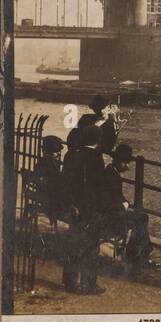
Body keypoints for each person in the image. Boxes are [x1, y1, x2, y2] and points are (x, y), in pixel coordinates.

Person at [61, 123, 107, 294]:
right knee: (91, 246)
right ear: (98, 140)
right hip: (89, 208)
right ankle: (89, 284)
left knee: (74, 243)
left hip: (74, 207)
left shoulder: (73, 155)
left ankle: (70, 282)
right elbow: (99, 187)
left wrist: (71, 204)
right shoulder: (96, 158)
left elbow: (65, 183)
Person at [99, 144, 154, 270]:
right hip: (110, 217)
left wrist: (124, 204)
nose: (127, 166)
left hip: (112, 212)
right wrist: (123, 206)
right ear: (117, 161)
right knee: (139, 221)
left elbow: (115, 197)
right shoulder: (112, 176)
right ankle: (139, 256)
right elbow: (108, 201)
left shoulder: (111, 172)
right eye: (125, 163)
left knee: (141, 218)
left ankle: (139, 254)